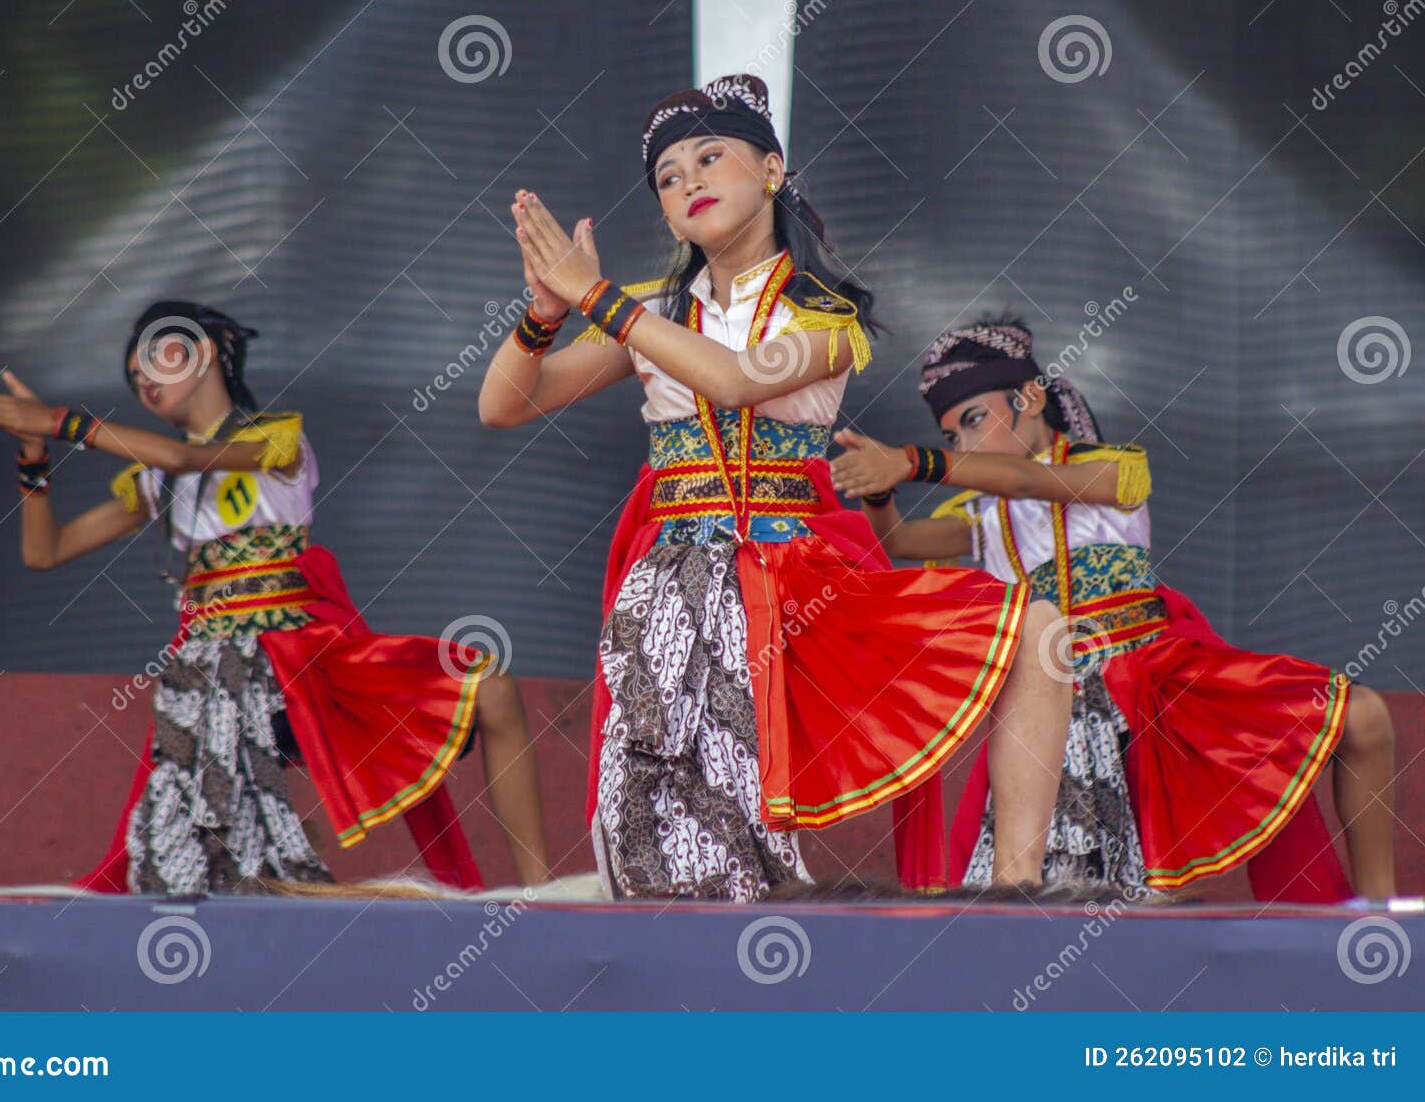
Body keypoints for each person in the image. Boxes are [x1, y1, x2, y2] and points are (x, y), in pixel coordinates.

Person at [479, 74, 1073, 901]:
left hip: (794, 591)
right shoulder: (653, 313)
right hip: (671, 593)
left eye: (710, 156)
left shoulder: (825, 318)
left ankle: (1015, 894)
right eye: (668, 176)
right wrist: (546, 312)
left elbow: (733, 380)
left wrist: (599, 299)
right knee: (656, 834)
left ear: (770, 169)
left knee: (1040, 632)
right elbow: (505, 402)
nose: (689, 181)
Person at [0, 301, 551, 894]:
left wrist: (62, 422)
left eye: (153, 359)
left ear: (206, 350)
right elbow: (46, 551)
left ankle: (539, 892)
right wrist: (33, 454)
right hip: (215, 678)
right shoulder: (154, 480)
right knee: (191, 858)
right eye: (133, 379)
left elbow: (188, 454)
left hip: (308, 665)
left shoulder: (276, 440)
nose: (143, 381)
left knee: (493, 689)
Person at [829, 316, 1397, 900]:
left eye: (974, 420)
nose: (966, 445)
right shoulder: (980, 518)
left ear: (1029, 397)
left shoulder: (1114, 468)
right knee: (1089, 895)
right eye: (953, 437)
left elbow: (1028, 480)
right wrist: (877, 491)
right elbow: (892, 544)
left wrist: (916, 462)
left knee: (1365, 717)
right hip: (1055, 707)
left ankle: (1382, 914)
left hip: (1159, 680)